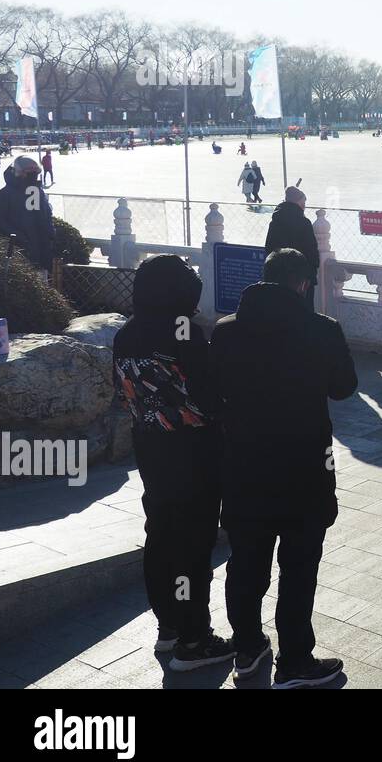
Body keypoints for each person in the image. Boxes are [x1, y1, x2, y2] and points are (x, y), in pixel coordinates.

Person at [210, 248, 358, 688]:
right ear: (302, 284)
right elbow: (345, 388)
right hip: (304, 470)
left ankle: (248, 649)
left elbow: (214, 389)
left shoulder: (225, 331)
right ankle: (294, 660)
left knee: (246, 561)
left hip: (243, 467)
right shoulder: (322, 330)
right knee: (298, 566)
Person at [112, 255, 230, 670]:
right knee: (195, 547)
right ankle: (195, 642)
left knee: (161, 536)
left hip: (152, 453)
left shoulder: (125, 334)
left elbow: (128, 393)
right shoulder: (186, 333)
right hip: (194, 455)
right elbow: (210, 397)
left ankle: (170, 628)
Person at [0, 157, 55, 272]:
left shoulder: (37, 191)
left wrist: (50, 232)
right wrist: (17, 236)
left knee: (41, 281)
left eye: (36, 172)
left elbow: (45, 214)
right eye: (29, 172)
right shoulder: (6, 193)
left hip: (41, 248)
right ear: (19, 173)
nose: (33, 175)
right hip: (19, 252)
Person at [264, 185, 320, 309]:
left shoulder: (275, 221)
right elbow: (311, 252)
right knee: (303, 313)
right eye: (303, 203)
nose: (304, 206)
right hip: (301, 279)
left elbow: (269, 248)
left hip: (278, 277)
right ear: (298, 202)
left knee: (281, 311)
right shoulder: (303, 223)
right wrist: (311, 273)